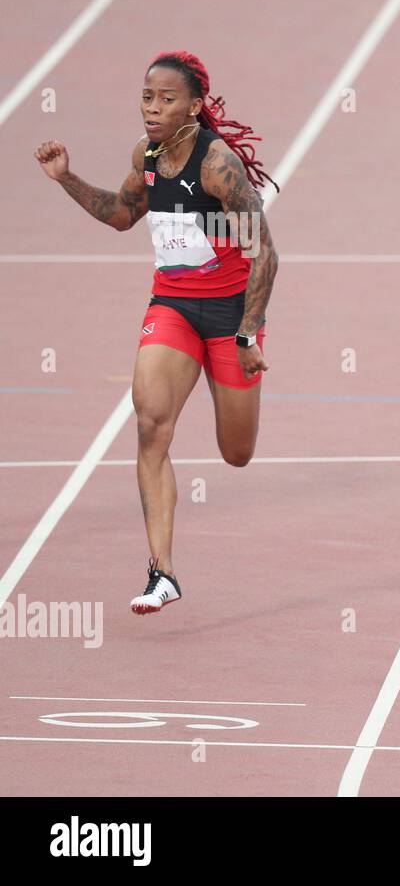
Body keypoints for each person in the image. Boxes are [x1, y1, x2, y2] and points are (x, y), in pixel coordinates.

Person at [34, 50, 280, 614]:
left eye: (167, 99)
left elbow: (264, 251)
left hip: (228, 317)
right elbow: (122, 214)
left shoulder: (217, 166)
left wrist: (247, 335)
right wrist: (66, 177)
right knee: (149, 423)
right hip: (171, 306)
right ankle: (162, 572)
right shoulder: (146, 157)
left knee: (236, 452)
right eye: (147, 97)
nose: (153, 108)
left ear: (194, 106)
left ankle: (236, 373)